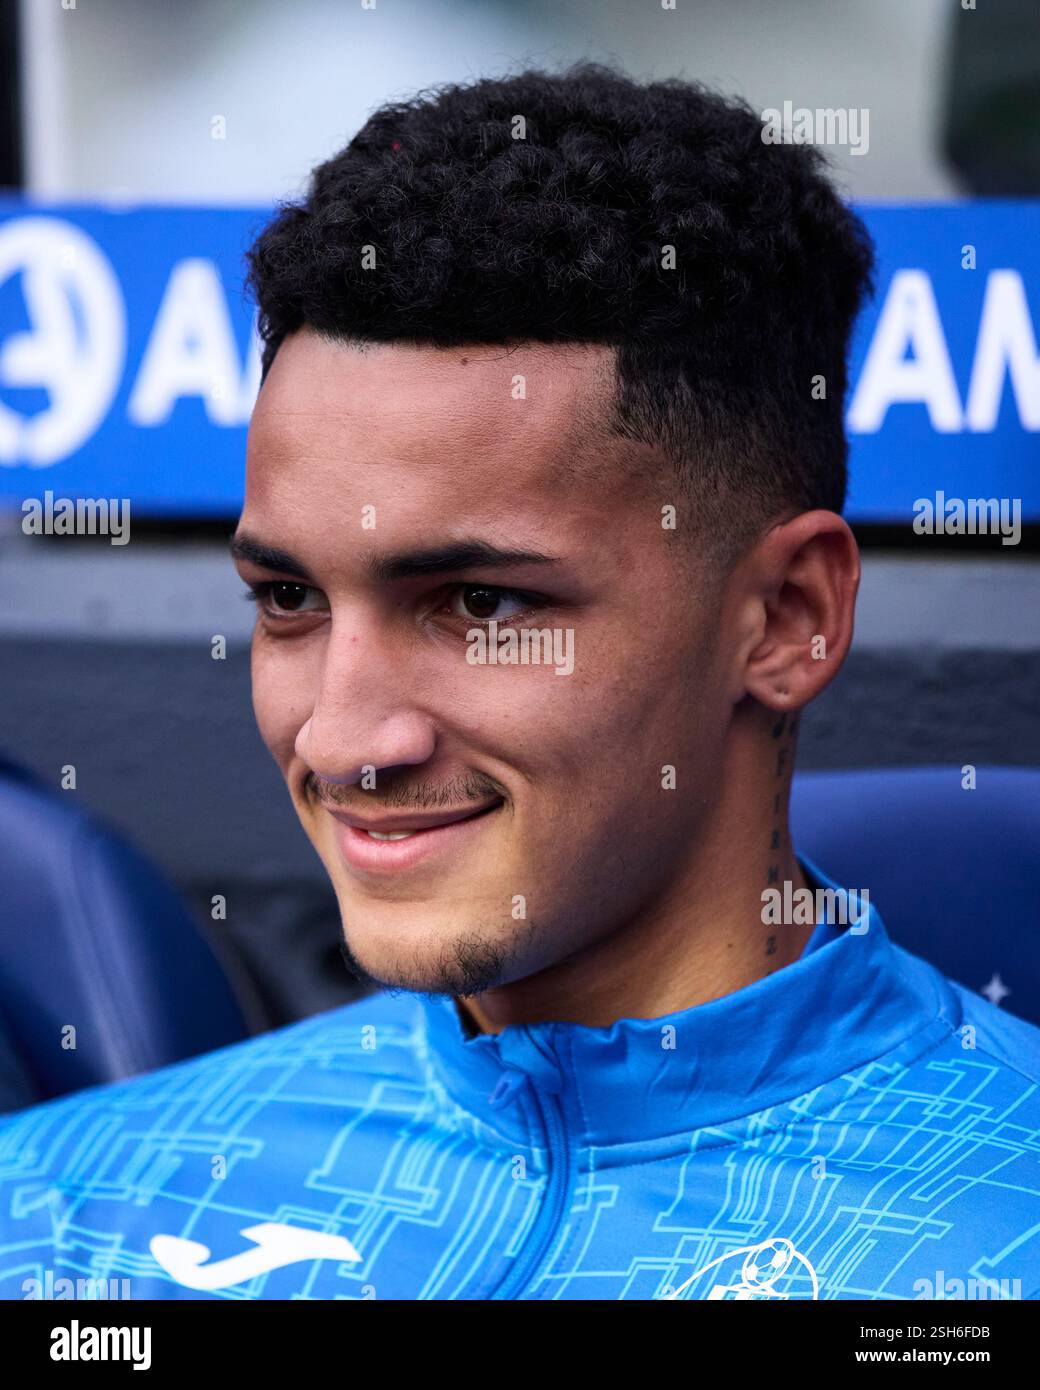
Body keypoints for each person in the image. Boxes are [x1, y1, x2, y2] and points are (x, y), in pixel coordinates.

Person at [3, 63, 1039, 1302]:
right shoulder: (55, 1206)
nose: (343, 740)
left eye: (481, 605)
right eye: (289, 600)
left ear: (785, 618)